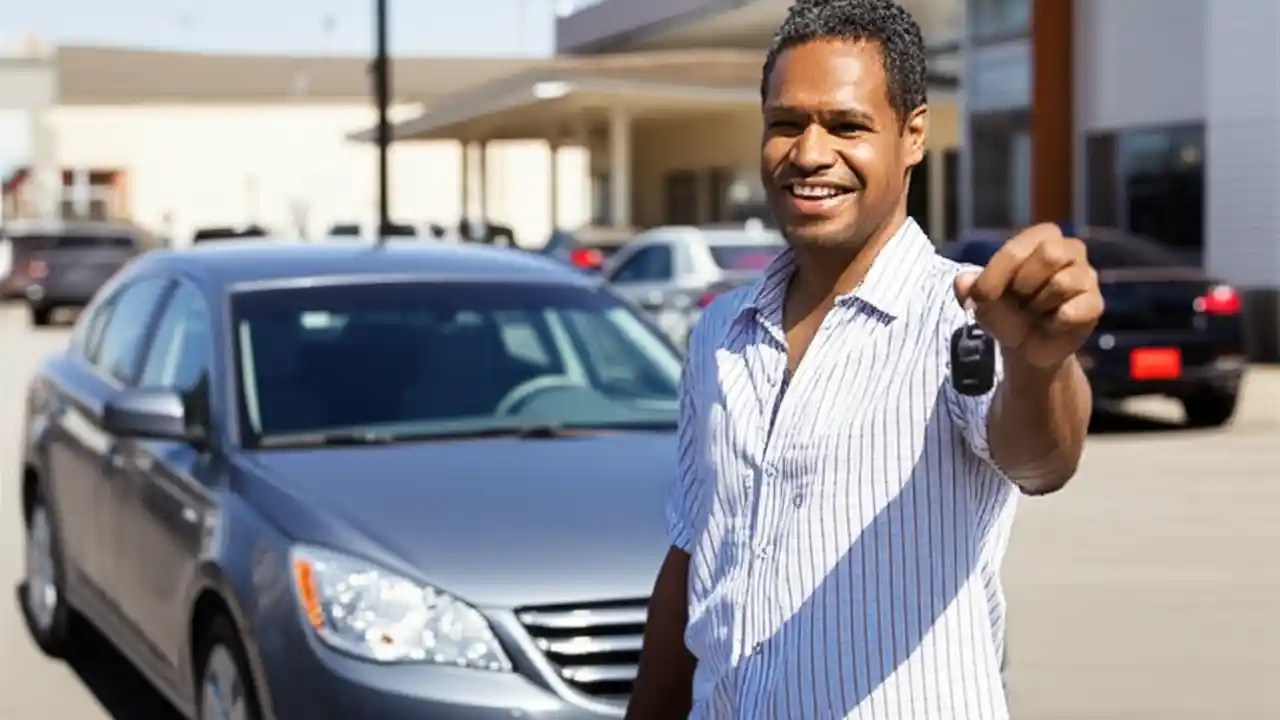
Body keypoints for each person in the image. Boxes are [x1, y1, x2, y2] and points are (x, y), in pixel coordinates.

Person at [626, 1, 1104, 718]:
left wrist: (1039, 365)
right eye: (786, 123)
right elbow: (695, 555)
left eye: (847, 125)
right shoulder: (720, 333)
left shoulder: (961, 315)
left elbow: (1040, 460)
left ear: (913, 136)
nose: (809, 154)